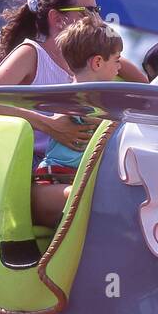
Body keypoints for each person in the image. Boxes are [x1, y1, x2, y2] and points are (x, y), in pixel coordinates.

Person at [0, 0, 147, 236]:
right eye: (86, 11)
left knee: (143, 200)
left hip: (86, 172)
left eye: (97, 11)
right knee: (92, 200)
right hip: (36, 177)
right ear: (57, 18)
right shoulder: (32, 55)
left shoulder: (101, 59)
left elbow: (149, 92)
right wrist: (50, 125)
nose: (96, 19)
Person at [32, 17, 127, 224]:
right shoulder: (74, 97)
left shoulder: (97, 99)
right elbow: (86, 116)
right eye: (117, 60)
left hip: (74, 183)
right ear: (98, 62)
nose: (121, 67)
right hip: (51, 186)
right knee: (90, 200)